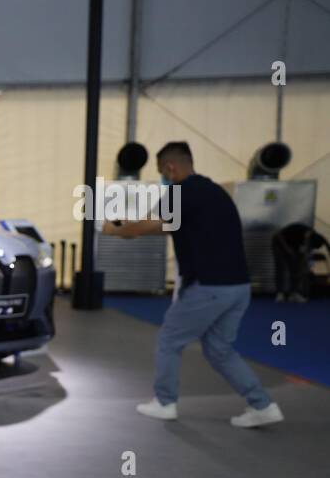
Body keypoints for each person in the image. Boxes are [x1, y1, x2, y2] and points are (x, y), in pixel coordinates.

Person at [102, 141, 282, 428]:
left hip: (209, 287)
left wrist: (114, 229)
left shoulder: (180, 193)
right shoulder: (213, 192)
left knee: (169, 341)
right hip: (238, 287)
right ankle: (262, 404)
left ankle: (164, 402)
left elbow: (145, 228)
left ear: (171, 168)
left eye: (162, 171)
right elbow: (161, 226)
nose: (163, 177)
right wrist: (129, 224)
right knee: (219, 349)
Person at [272, 222, 327, 303]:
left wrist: (303, 264)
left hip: (293, 245)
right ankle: (280, 293)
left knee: (295, 268)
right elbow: (278, 234)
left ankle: (293, 294)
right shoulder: (301, 232)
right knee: (280, 267)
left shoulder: (313, 237)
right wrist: (287, 249)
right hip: (278, 242)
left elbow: (305, 253)